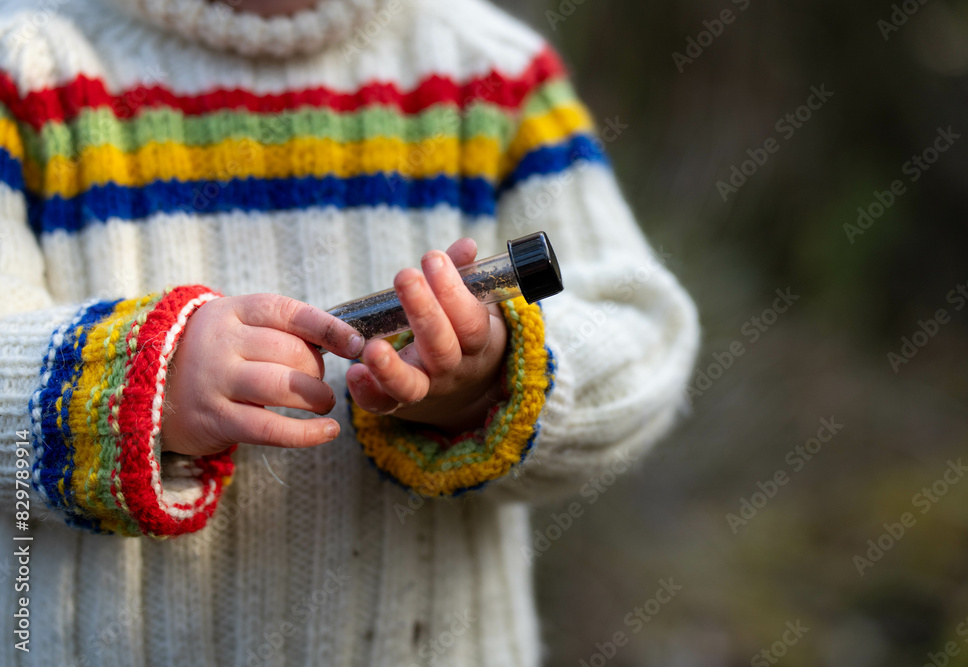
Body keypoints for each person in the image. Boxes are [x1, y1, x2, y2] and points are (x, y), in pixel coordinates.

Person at [0, 0, 699, 664]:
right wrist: (136, 382)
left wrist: (494, 376)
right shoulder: (26, 64)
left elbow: (642, 331)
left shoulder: (493, 71)